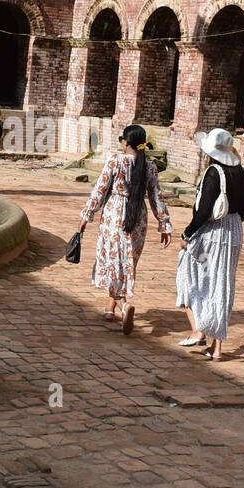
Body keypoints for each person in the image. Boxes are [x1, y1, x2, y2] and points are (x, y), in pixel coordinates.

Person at [78, 125, 172, 335]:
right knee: (126, 262)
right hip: (138, 217)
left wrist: (86, 215)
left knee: (114, 262)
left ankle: (123, 305)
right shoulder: (150, 167)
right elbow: (157, 197)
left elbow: (100, 190)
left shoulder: (115, 161)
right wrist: (164, 224)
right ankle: (110, 309)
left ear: (125, 143)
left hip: (114, 215)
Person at [175, 128, 244, 360]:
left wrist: (187, 234)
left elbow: (202, 212)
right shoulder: (240, 172)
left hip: (212, 233)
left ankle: (198, 328)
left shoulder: (214, 172)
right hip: (233, 233)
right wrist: (232, 220)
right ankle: (216, 346)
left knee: (188, 273)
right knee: (222, 284)